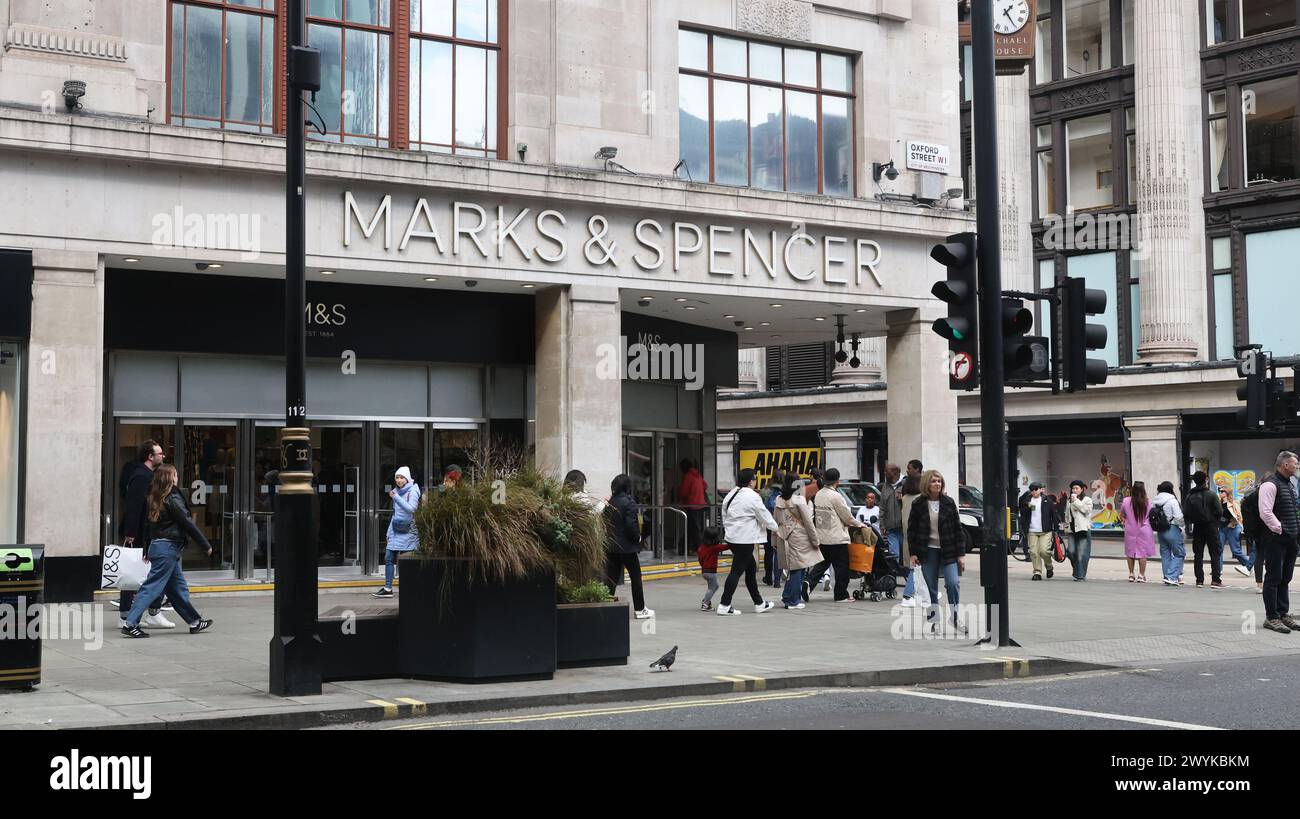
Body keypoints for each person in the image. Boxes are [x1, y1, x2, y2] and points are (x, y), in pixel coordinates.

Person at [121, 464, 213, 638]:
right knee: (151, 587)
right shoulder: (172, 498)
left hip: (160, 547)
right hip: (168, 549)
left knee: (177, 588)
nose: (177, 478)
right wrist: (205, 544)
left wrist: (148, 549)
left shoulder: (154, 498)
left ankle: (194, 621)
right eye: (175, 475)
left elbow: (148, 526)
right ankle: (130, 622)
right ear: (170, 478)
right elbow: (187, 523)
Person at [116, 439, 174, 628]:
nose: (163, 456)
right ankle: (127, 614)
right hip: (140, 533)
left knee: (150, 571)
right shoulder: (141, 476)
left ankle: (152, 611)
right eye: (159, 454)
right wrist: (130, 533)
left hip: (146, 531)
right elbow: (133, 506)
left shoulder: (148, 474)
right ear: (150, 456)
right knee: (133, 572)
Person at [906, 469, 965, 633]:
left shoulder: (949, 502)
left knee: (953, 583)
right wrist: (913, 553)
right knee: (931, 587)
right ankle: (934, 620)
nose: (937, 484)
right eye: (933, 481)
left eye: (939, 481)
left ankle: (955, 617)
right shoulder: (918, 504)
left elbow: (957, 529)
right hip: (927, 550)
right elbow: (912, 531)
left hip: (949, 549)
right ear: (927, 484)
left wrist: (961, 555)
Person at [716, 468, 778, 615]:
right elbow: (764, 515)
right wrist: (775, 528)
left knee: (750, 569)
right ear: (751, 481)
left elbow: (724, 514)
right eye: (755, 478)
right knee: (736, 571)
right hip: (745, 539)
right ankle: (724, 605)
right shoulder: (752, 496)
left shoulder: (731, 494)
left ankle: (759, 603)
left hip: (732, 538)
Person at [805, 468, 869, 603]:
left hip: (822, 537)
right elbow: (847, 516)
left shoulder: (819, 494)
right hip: (837, 538)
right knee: (841, 568)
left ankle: (808, 584)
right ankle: (841, 595)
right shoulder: (836, 496)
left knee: (821, 565)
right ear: (837, 481)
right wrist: (859, 525)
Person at [1258, 451, 1300, 633]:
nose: (1297, 467)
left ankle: (1283, 613)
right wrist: (1280, 529)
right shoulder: (1270, 485)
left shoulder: (1289, 484)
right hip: (1276, 539)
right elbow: (1265, 512)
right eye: (1295, 464)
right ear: (1285, 465)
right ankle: (1272, 617)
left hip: (1290, 539)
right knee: (1273, 578)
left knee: (1285, 578)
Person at [603, 474, 654, 620]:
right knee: (636, 577)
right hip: (627, 548)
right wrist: (638, 538)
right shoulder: (629, 503)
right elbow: (631, 524)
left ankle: (605, 604)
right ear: (627, 487)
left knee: (611, 578)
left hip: (612, 547)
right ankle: (640, 609)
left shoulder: (611, 502)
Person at [774, 472, 822, 610]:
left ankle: (788, 596)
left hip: (783, 535)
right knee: (798, 568)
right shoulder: (799, 499)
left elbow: (775, 521)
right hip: (799, 535)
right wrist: (815, 539)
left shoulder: (779, 499)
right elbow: (808, 522)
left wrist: (774, 541)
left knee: (792, 567)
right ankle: (793, 600)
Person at [373, 466, 420, 598]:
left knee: (405, 562)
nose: (399, 480)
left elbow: (412, 509)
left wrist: (396, 498)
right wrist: (388, 533)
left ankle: (408, 587)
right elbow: (395, 514)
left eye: (401, 477)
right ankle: (388, 588)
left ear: (407, 478)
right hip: (395, 530)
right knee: (388, 557)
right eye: (397, 478)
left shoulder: (413, 491)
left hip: (408, 531)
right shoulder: (396, 492)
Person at [1183, 471, 1224, 588]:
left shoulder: (1190, 495)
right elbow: (1219, 511)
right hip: (1211, 526)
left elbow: (1186, 512)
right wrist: (1215, 519)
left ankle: (1199, 580)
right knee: (1215, 553)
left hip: (1197, 527)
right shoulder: (1211, 495)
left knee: (1198, 554)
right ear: (1205, 479)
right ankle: (1216, 579)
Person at [1018, 483, 1061, 581]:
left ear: (1040, 490)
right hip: (1031, 530)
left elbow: (1054, 515)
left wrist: (1056, 529)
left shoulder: (1047, 500)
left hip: (1045, 530)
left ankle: (1049, 567)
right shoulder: (1027, 500)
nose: (1033, 492)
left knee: (1045, 551)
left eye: (1035, 489)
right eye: (1031, 490)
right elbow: (1022, 514)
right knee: (1033, 552)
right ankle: (1037, 572)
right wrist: (1027, 507)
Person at [1120, 482, 1156, 582]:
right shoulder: (1148, 502)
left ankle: (1131, 574)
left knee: (1130, 552)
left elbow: (1122, 515)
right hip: (1144, 529)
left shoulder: (1126, 501)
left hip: (1130, 528)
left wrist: (1125, 521)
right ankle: (1141, 575)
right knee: (1142, 553)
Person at [1153, 480, 1187, 586]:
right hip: (1172, 528)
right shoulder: (1172, 501)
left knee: (1165, 554)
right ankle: (1172, 576)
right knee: (1179, 553)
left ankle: (1167, 576)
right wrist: (1183, 525)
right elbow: (1179, 517)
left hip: (1160, 530)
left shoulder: (1156, 501)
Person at [898, 475, 923, 607]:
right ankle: (907, 595)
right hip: (918, 537)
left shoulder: (905, 498)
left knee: (915, 567)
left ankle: (926, 594)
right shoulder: (920, 499)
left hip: (907, 536)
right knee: (916, 567)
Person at [1218, 485, 1253, 577]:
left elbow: (1239, 515)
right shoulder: (1218, 503)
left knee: (1235, 551)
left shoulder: (1233, 503)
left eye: (1222, 491)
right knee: (1218, 549)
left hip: (1232, 528)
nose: (1220, 493)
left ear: (1227, 493)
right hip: (1222, 528)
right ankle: (1218, 569)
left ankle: (1248, 564)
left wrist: (1233, 523)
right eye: (1220, 491)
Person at [677, 458, 708, 558]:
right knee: (693, 528)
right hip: (701, 505)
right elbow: (705, 485)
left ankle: (698, 550)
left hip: (692, 505)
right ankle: (686, 548)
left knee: (694, 529)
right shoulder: (697, 475)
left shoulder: (687, 476)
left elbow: (683, 492)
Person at [1064, 480, 1094, 581]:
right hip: (1072, 530)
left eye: (1077, 488)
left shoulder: (1087, 499)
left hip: (1083, 530)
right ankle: (1077, 569)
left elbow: (1086, 511)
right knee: (1070, 552)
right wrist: (1066, 525)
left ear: (1082, 489)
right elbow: (1067, 515)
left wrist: (1076, 501)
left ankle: (1080, 575)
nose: (1075, 490)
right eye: (1073, 488)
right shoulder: (1069, 500)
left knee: (1082, 554)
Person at [696, 525, 730, 611]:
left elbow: (700, 559)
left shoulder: (702, 547)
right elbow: (726, 547)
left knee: (715, 586)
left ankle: (706, 600)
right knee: (712, 588)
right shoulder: (715, 547)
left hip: (704, 571)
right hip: (711, 571)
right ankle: (705, 604)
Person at [761, 471, 784, 586]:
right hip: (781, 524)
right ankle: (778, 579)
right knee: (779, 551)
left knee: (768, 552)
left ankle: (768, 577)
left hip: (768, 524)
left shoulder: (765, 491)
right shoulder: (786, 491)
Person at [879, 462, 904, 559]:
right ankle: (895, 574)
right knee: (894, 556)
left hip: (904, 528)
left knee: (906, 557)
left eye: (887, 471)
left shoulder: (906, 483)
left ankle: (909, 574)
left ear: (896, 472)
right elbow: (882, 507)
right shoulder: (885, 486)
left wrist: (903, 499)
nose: (884, 473)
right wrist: (882, 525)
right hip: (891, 529)